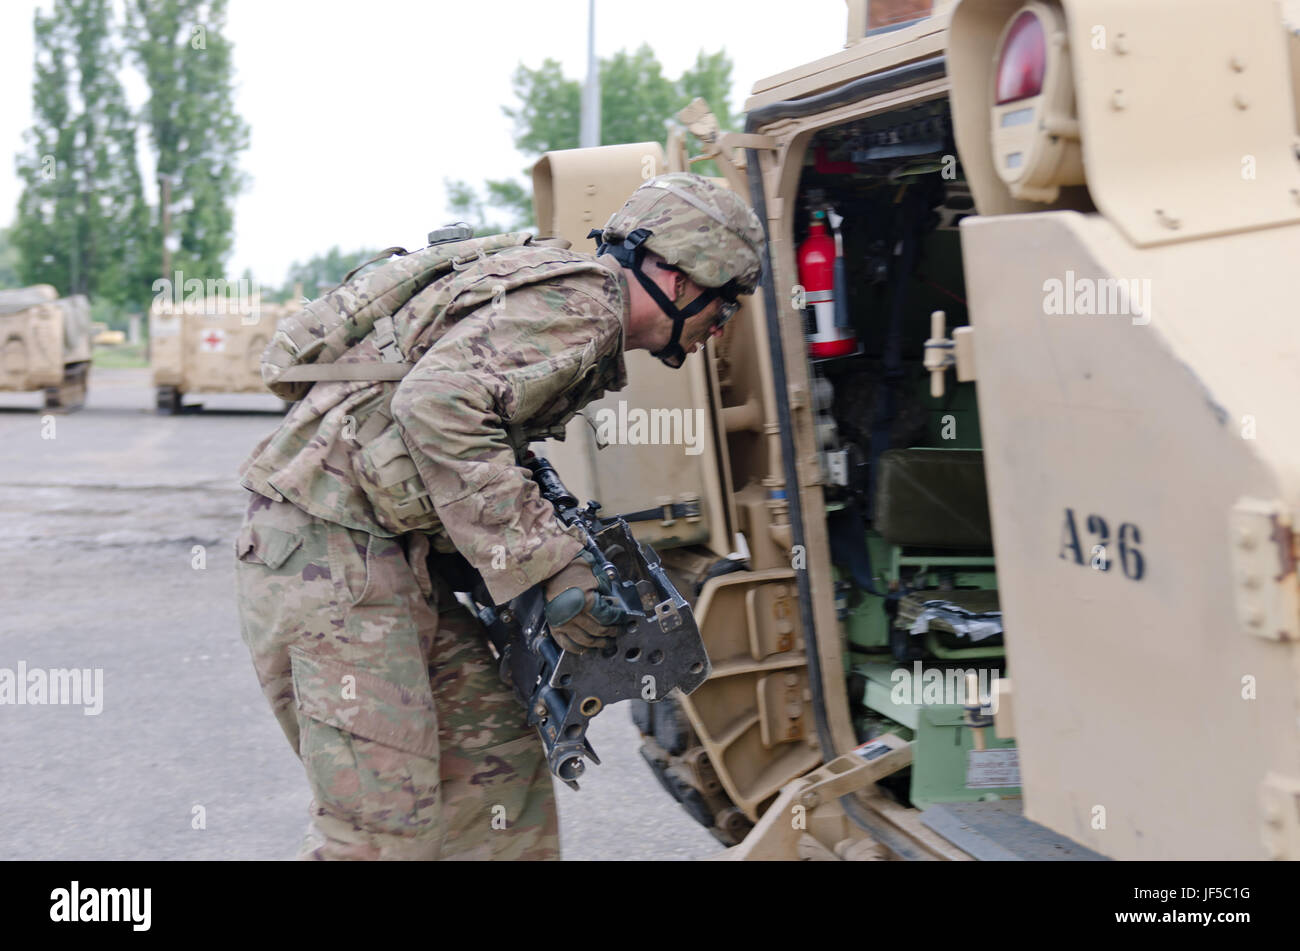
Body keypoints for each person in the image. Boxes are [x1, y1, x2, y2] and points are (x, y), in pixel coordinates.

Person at [233, 172, 763, 860]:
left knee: (497, 776)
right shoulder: (583, 304)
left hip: (390, 555)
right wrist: (548, 562)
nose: (717, 330)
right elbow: (437, 405)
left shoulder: (568, 300)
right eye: (723, 308)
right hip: (327, 552)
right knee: (382, 826)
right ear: (686, 279)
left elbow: (472, 423)